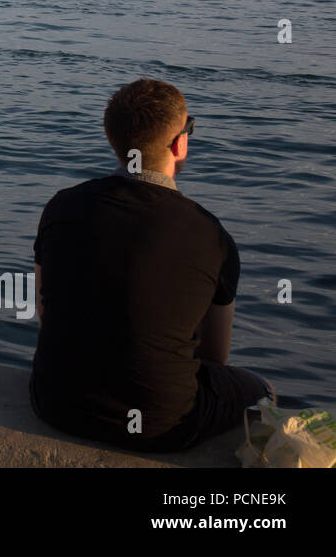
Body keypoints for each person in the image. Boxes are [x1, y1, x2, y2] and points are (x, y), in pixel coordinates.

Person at [30, 78, 274, 452]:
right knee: (262, 391)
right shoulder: (211, 235)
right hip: (164, 427)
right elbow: (214, 357)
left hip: (54, 404)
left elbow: (45, 314)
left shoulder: (61, 207)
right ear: (179, 144)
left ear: (114, 140)